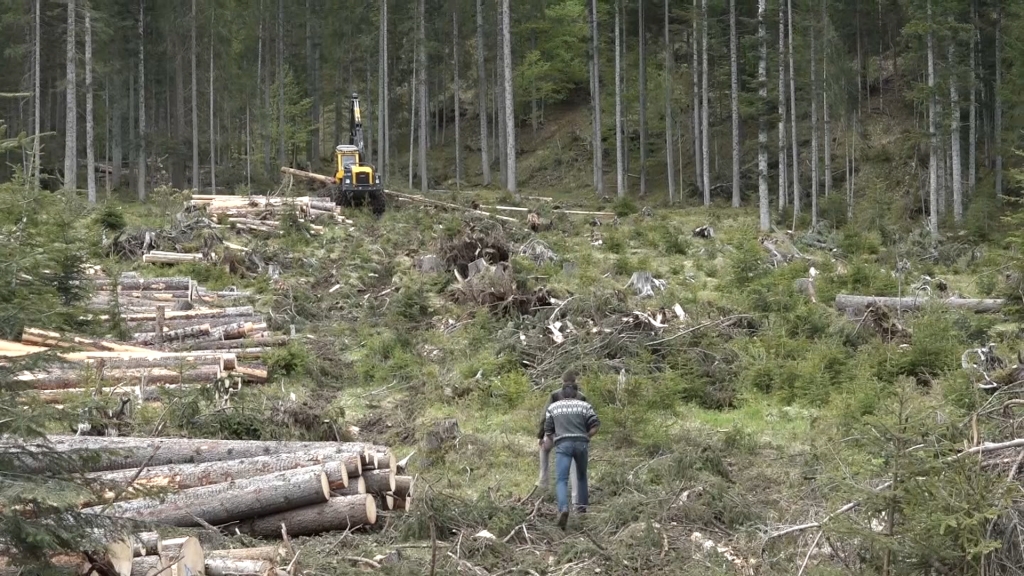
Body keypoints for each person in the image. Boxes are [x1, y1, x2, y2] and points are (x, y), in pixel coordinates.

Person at [543, 380, 599, 530]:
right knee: (581, 476)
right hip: (581, 444)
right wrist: (587, 436)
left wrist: (555, 439)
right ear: (576, 393)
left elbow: (548, 429)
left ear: (562, 393)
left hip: (563, 444)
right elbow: (595, 424)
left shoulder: (553, 407)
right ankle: (582, 510)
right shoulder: (585, 406)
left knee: (562, 479)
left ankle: (563, 508)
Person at [536, 371, 587, 499]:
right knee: (575, 464)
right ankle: (576, 499)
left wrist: (540, 436)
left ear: (562, 381)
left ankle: (543, 482)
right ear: (576, 381)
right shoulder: (581, 397)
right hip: (576, 436)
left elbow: (545, 416)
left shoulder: (554, 395)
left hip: (555, 435)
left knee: (544, 449)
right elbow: (586, 418)